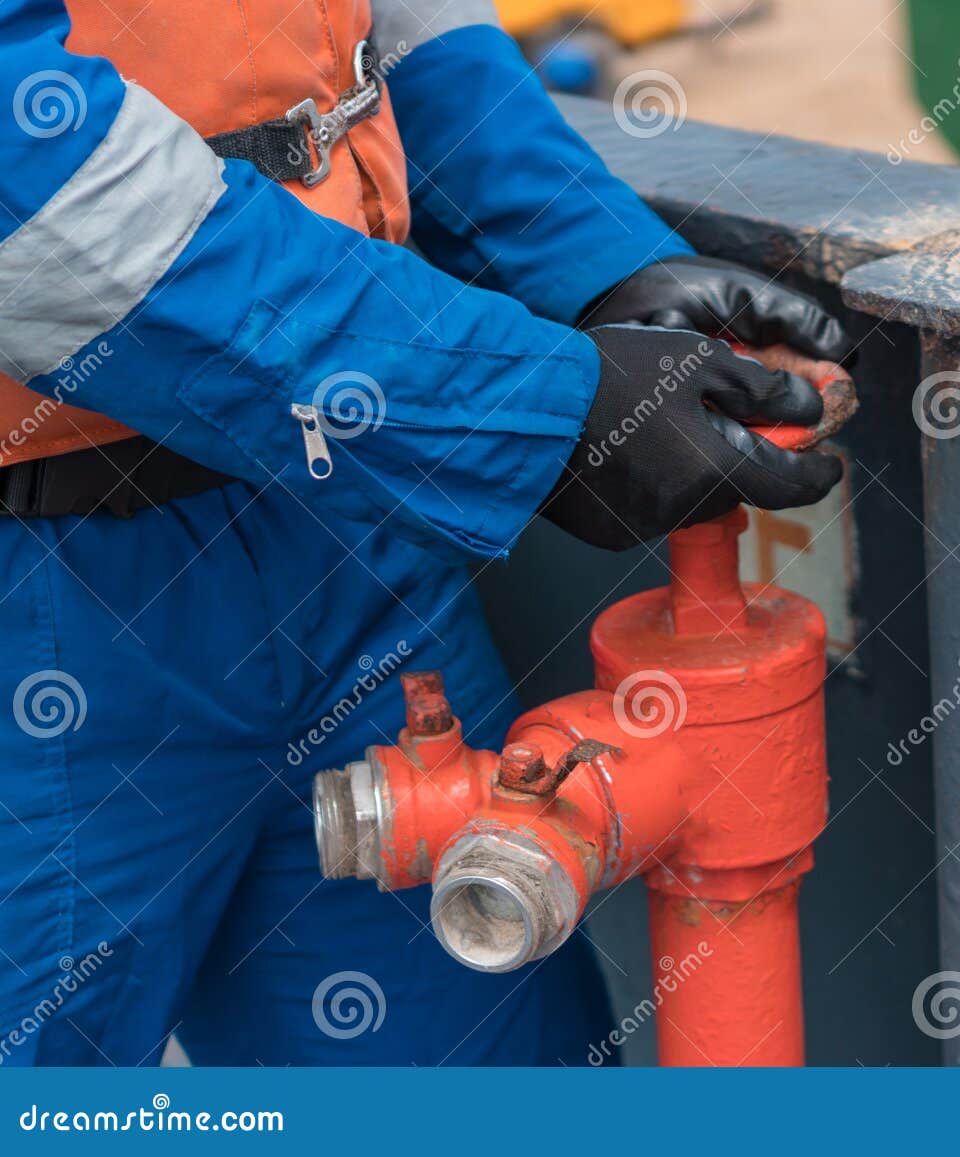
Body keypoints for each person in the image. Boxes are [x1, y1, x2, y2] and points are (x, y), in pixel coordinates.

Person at [0, 0, 849, 1066]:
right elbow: (24, 180)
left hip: (342, 526)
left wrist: (577, 251)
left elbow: (367, 23)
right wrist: (528, 408)